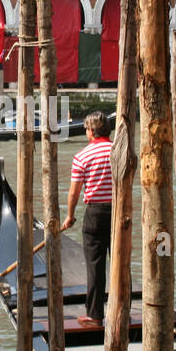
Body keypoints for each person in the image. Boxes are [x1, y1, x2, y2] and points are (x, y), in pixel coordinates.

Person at [61, 111, 112, 327]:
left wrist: (70, 216)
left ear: (92, 131)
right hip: (120, 212)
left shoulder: (82, 156)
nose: (85, 132)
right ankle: (123, 309)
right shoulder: (119, 150)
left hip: (95, 214)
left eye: (86, 129)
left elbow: (74, 192)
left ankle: (95, 315)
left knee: (95, 265)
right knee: (121, 262)